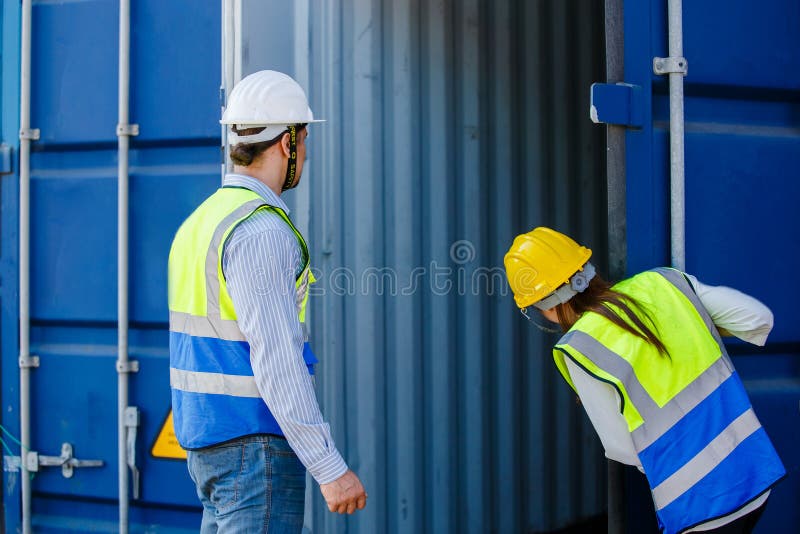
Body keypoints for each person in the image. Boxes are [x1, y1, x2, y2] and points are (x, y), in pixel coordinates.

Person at [168, 70, 366, 532]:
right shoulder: (261, 230)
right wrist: (329, 467)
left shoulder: (200, 223)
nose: (305, 153)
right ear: (287, 143)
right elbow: (277, 357)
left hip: (208, 444)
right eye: (305, 138)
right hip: (254, 450)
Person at [503, 227, 785, 534]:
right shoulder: (663, 282)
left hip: (698, 504)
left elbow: (621, 448)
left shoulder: (579, 347)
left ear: (546, 305)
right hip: (753, 473)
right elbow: (758, 319)